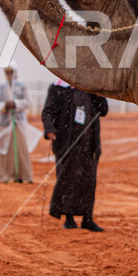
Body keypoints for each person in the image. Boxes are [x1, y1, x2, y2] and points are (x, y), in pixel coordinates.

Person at [42, 78, 108, 231]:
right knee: (66, 180)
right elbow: (48, 112)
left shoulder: (91, 86)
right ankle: (68, 218)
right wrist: (49, 128)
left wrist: (96, 90)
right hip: (66, 144)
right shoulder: (58, 88)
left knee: (88, 181)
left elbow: (103, 110)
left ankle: (87, 218)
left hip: (88, 145)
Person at [0, 63, 40, 183]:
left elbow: (28, 101)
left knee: (21, 150)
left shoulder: (22, 86)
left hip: (19, 124)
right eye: (7, 71)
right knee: (3, 150)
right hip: (3, 124)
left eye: (11, 71)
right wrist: (3, 105)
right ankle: (6, 176)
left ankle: (24, 176)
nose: (9, 74)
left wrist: (16, 104)